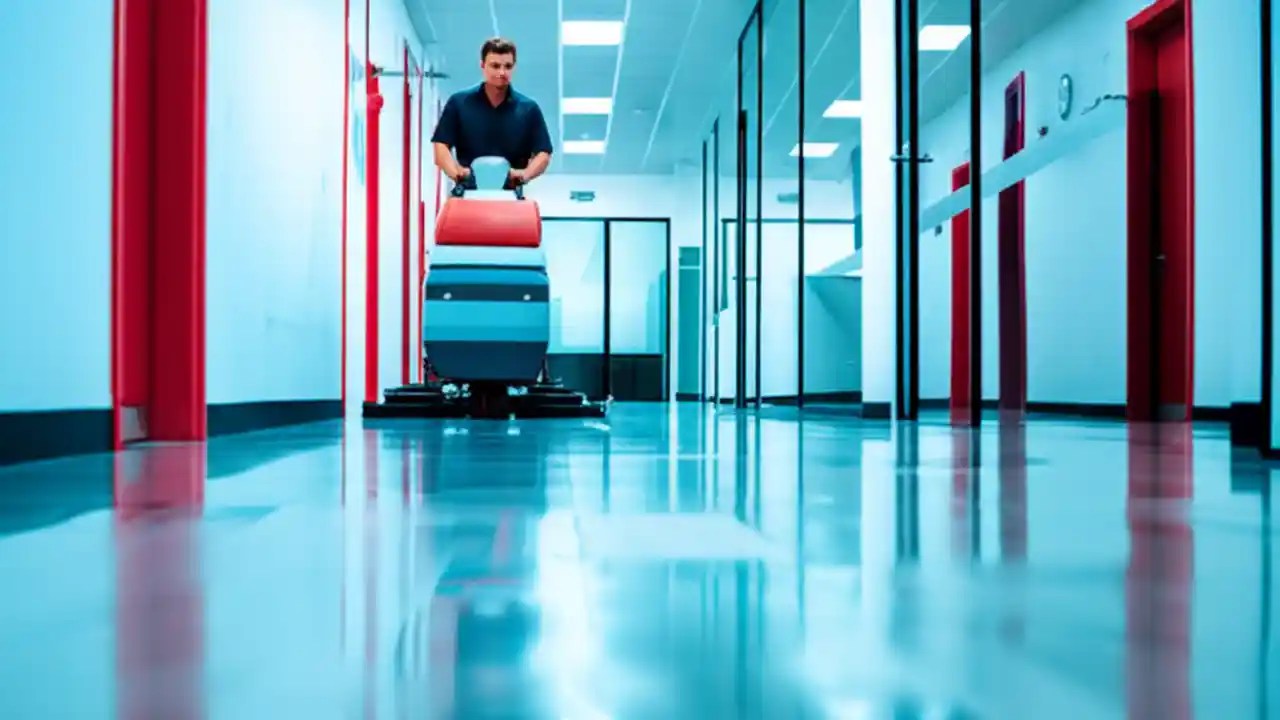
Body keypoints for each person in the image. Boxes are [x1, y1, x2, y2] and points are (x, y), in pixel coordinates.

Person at [431, 37, 554, 190]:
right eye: (495, 66)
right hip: (469, 194)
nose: (502, 72)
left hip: (511, 197)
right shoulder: (459, 103)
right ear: (482, 65)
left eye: (507, 66)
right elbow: (441, 144)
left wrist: (525, 174)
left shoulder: (529, 109)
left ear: (514, 67)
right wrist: (456, 173)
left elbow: (544, 152)